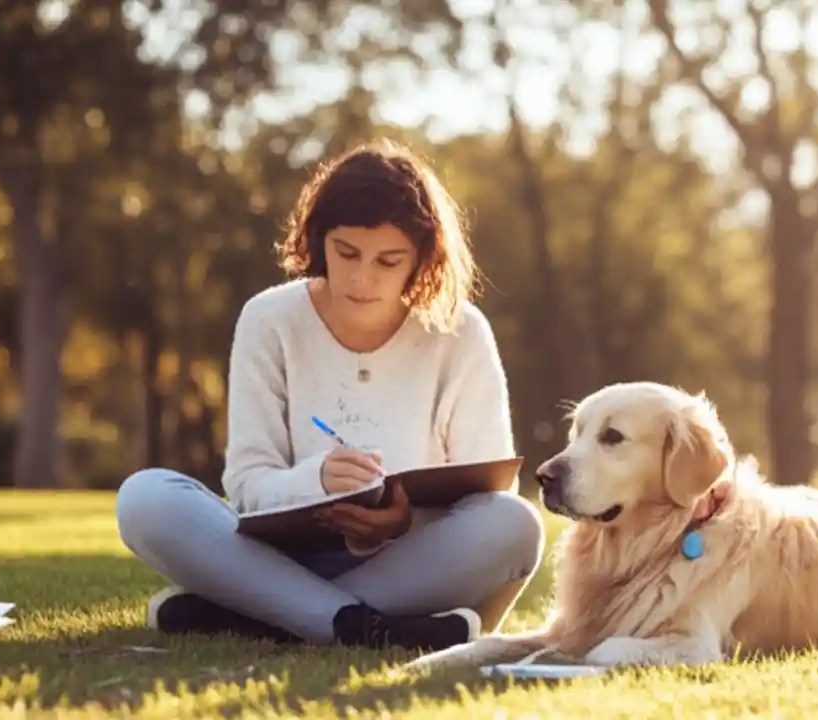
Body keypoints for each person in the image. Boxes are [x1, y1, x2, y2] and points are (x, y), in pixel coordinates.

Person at [115, 139, 544, 652]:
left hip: (410, 563)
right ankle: (358, 626)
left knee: (515, 523)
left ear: (420, 261)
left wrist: (398, 523)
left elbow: (487, 492)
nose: (363, 279)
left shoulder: (460, 332)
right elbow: (249, 485)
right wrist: (314, 480)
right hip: (278, 560)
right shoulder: (269, 320)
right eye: (347, 253)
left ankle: (275, 618)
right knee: (145, 498)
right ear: (320, 242)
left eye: (388, 261)